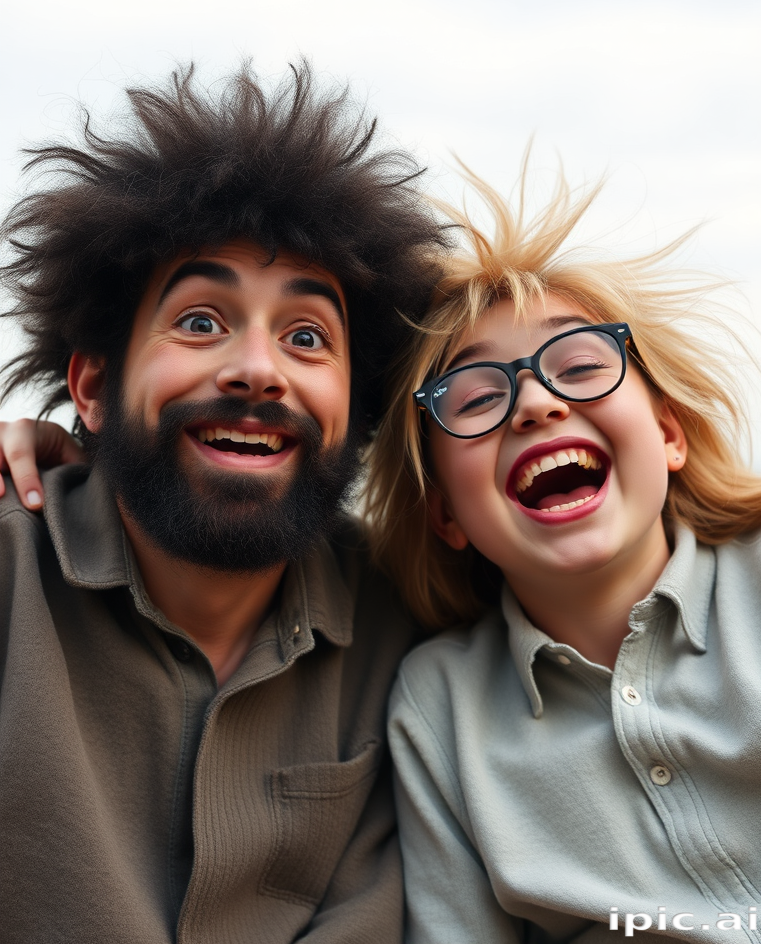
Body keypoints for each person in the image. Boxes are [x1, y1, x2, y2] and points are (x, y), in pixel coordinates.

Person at [0, 61, 447, 944]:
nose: (258, 368)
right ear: (91, 387)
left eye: (308, 336)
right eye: (201, 321)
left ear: (354, 410)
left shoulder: (416, 622)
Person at [362, 167, 761, 942]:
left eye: (581, 365)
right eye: (476, 398)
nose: (538, 402)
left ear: (670, 434)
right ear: (444, 512)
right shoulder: (437, 706)